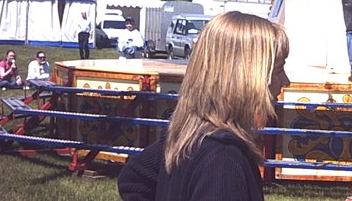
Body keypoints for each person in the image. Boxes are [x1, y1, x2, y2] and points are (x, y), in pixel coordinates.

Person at [117, 12, 289, 201]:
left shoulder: (186, 135)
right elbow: (133, 180)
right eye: (278, 70)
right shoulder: (223, 160)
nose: (285, 81)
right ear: (245, 77)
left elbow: (133, 178)